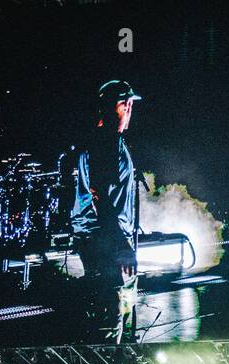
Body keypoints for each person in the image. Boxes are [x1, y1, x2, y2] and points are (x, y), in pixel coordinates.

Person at [69, 79, 142, 338]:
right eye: (124, 104)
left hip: (104, 237)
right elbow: (99, 194)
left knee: (115, 308)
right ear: (106, 108)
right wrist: (121, 243)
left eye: (131, 104)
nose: (129, 109)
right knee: (109, 314)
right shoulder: (104, 143)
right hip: (103, 239)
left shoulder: (112, 142)